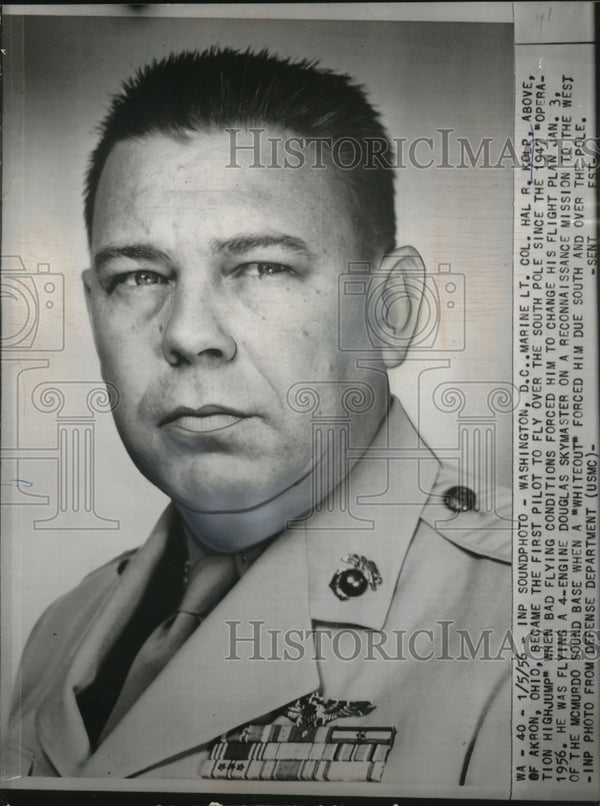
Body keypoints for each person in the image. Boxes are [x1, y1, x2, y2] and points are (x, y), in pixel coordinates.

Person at [3, 47, 512, 790]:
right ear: (92, 309)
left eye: (260, 267)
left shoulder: (537, 619)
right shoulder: (63, 629)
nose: (186, 333)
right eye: (138, 277)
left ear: (392, 309)